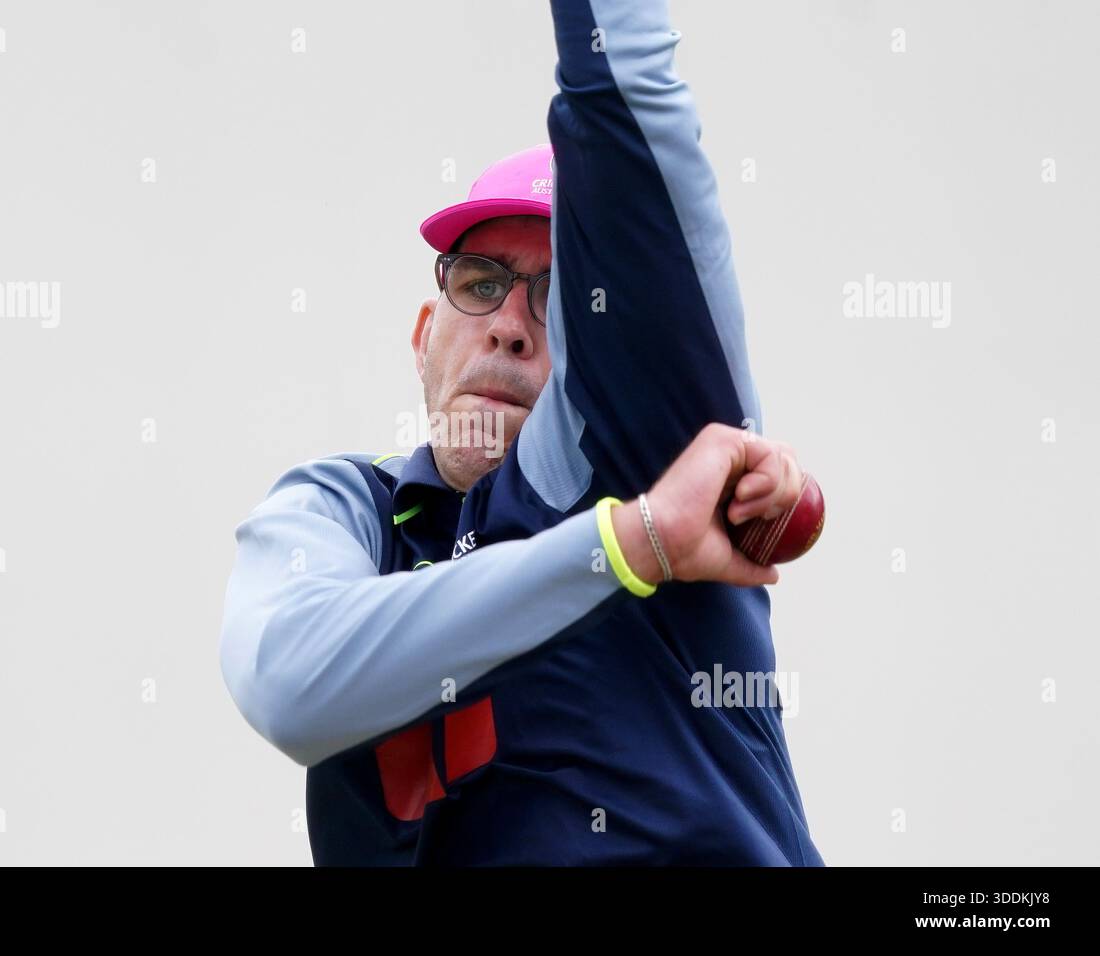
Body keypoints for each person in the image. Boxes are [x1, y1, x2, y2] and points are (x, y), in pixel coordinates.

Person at [220, 0, 823, 865]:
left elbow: (626, 101)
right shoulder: (339, 503)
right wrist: (630, 544)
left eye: (554, 298)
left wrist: (637, 517)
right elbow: (288, 682)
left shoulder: (633, 457)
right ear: (425, 332)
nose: (509, 324)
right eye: (479, 282)